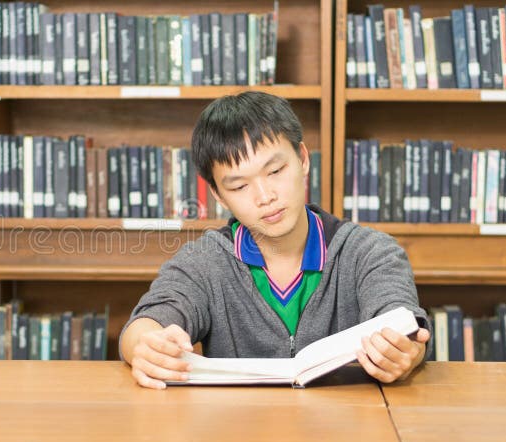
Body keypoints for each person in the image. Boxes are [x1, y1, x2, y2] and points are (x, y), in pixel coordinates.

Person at [119, 91, 431, 389]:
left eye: (276, 170)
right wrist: (145, 347)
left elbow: (401, 319)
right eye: (239, 186)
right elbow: (147, 322)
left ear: (303, 159)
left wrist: (407, 353)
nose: (265, 197)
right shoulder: (204, 262)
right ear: (218, 195)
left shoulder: (370, 253)